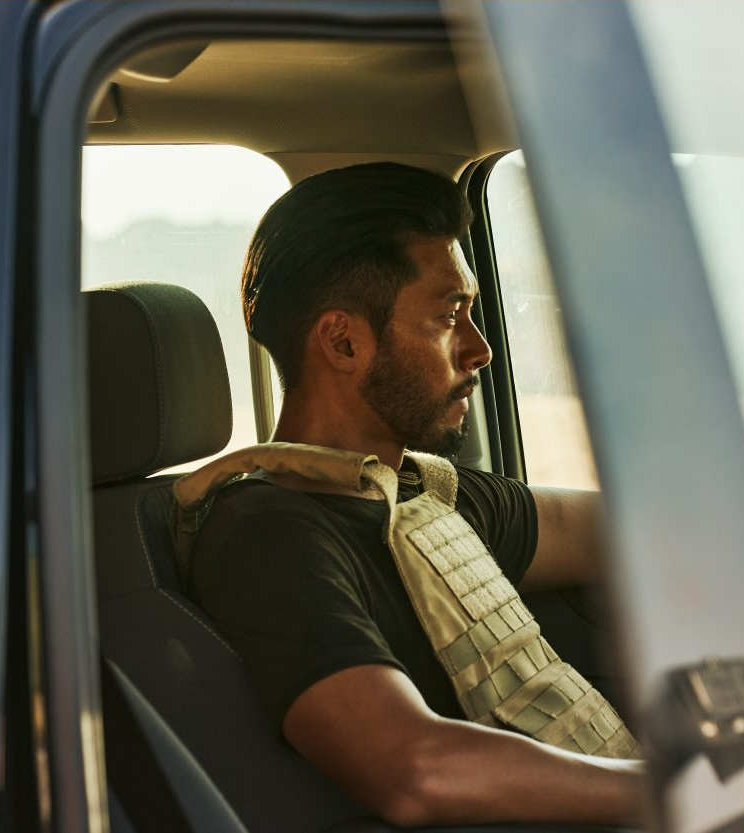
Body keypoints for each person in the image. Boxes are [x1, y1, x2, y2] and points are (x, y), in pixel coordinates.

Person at [184, 162, 646, 828]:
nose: (480, 349)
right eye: (448, 317)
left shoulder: (422, 501)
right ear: (343, 340)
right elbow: (412, 768)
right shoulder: (269, 538)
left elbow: (619, 533)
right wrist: (686, 790)